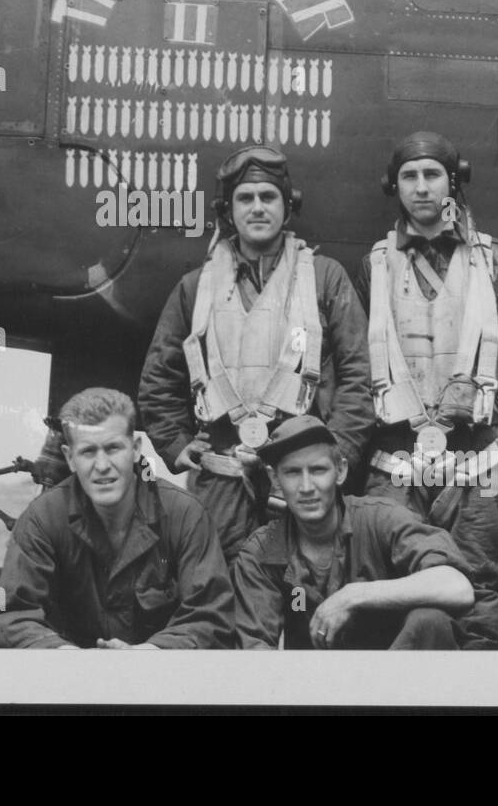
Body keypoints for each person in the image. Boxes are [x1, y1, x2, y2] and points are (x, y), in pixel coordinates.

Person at [353, 132, 498, 649]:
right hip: (394, 464)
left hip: (482, 463)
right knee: (392, 591)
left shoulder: (497, 262)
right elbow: (355, 371)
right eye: (409, 177)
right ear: (393, 187)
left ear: (453, 181)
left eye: (432, 175)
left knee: (478, 591)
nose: (421, 189)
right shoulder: (373, 266)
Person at [138, 145, 373, 563]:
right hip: (221, 479)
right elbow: (159, 379)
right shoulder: (195, 287)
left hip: (302, 480)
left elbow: (359, 375)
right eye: (245, 198)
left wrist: (337, 455)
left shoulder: (325, 278)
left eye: (269, 197)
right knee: (218, 600)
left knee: (308, 595)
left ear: (288, 205)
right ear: (228, 210)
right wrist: (176, 444)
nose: (258, 208)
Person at [0, 388, 234, 650]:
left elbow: (211, 616)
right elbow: (11, 615)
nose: (103, 465)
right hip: (67, 676)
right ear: (70, 458)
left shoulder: (185, 516)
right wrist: (62, 654)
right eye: (88, 452)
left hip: (160, 676)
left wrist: (152, 653)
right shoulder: (41, 519)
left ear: (136, 449)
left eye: (113, 448)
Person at [231, 415, 474, 649]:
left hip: (396, 677)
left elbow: (457, 587)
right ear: (275, 479)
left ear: (340, 471)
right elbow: (255, 649)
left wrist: (354, 596)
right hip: (313, 682)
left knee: (430, 620)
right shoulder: (262, 550)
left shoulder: (380, 518)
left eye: (318, 470)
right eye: (292, 472)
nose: (306, 487)